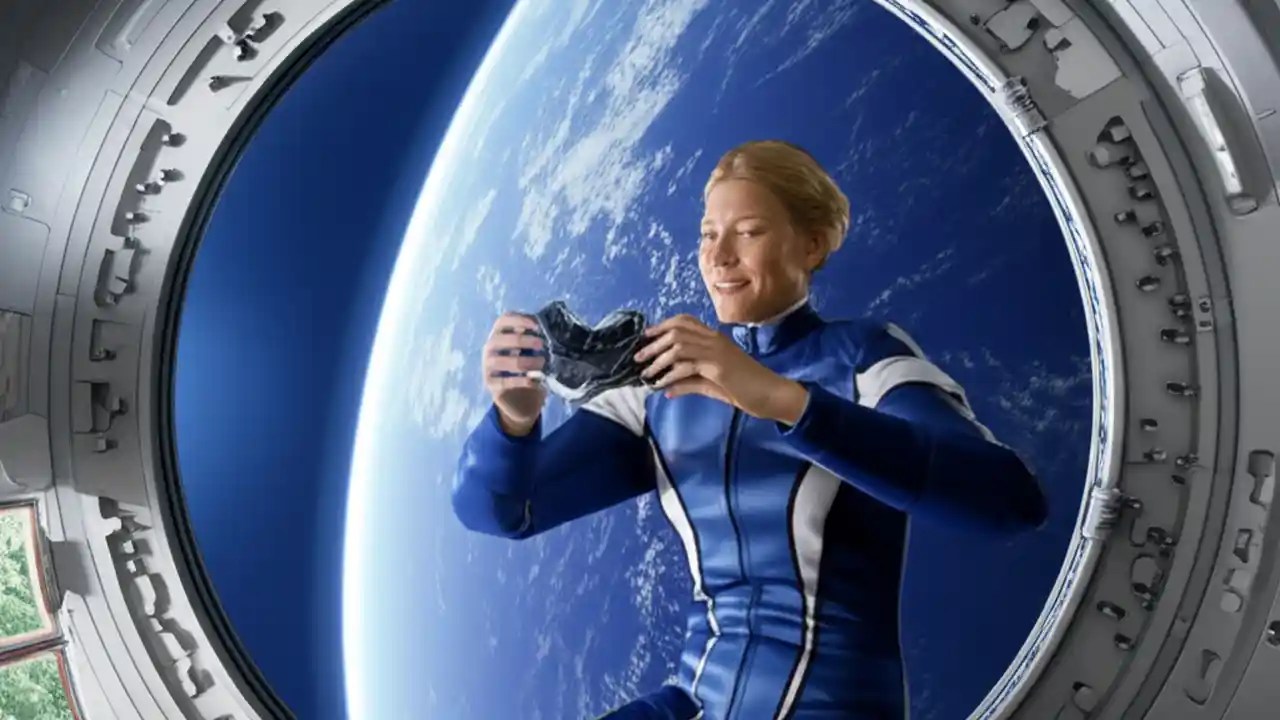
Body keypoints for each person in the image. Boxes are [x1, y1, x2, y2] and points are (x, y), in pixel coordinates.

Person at [452, 140, 1049, 720]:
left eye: (749, 232)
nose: (718, 256)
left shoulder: (860, 356)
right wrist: (514, 418)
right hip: (692, 701)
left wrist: (779, 400)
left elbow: (1008, 500)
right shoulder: (661, 387)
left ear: (812, 244)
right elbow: (504, 513)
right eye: (708, 234)